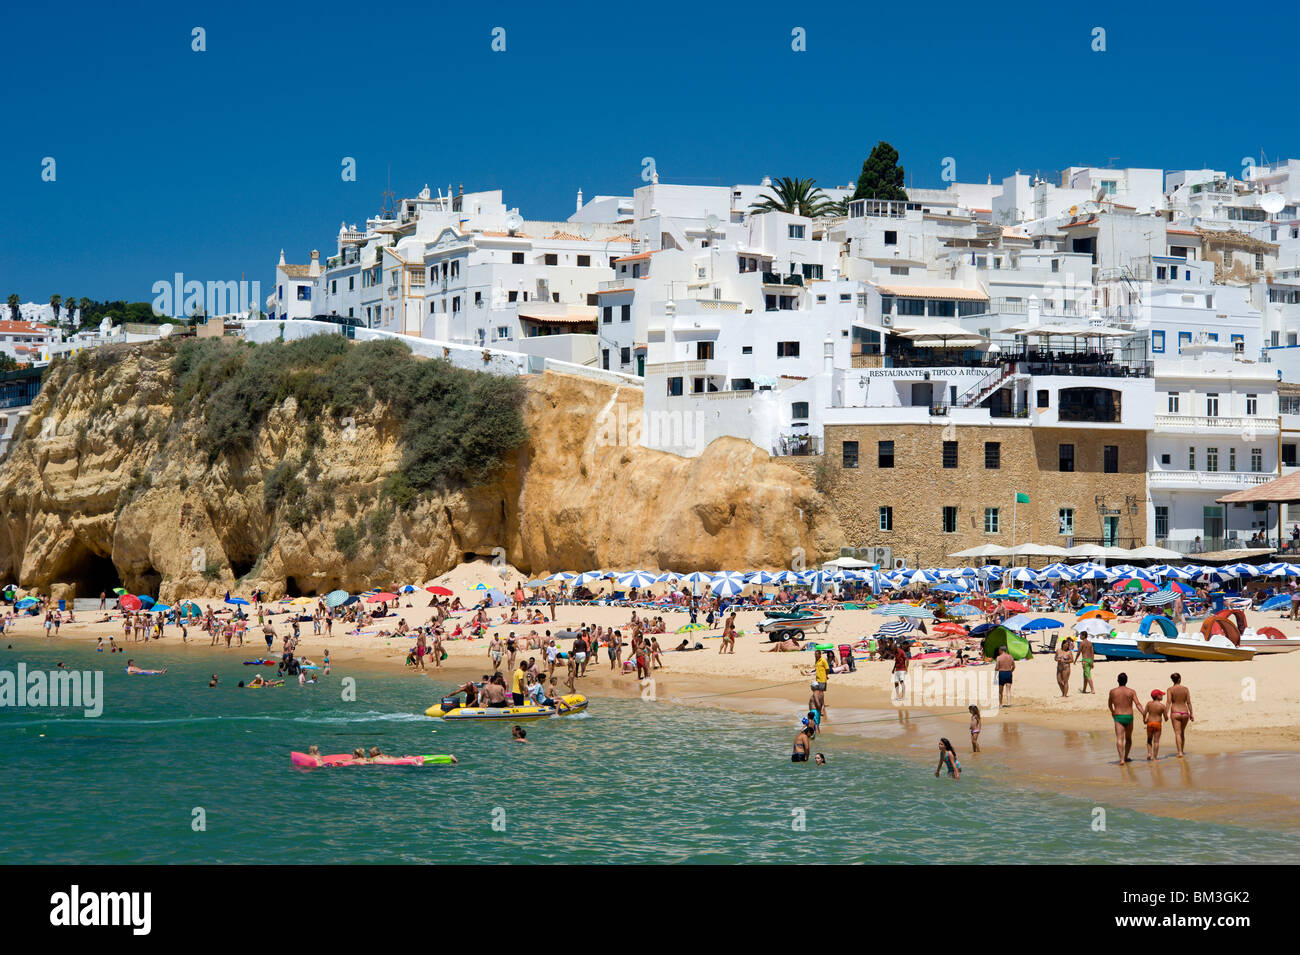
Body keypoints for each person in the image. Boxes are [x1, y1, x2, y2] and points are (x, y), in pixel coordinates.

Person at [1107, 671, 1144, 765]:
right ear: (1126, 681)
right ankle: (1126, 756)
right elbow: (1138, 704)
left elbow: (1110, 704)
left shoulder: (1113, 691)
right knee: (1128, 738)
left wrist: (1112, 712)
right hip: (1129, 716)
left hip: (1118, 716)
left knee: (1119, 738)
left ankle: (1121, 760)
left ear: (1117, 680)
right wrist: (1144, 713)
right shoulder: (1131, 691)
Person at [1166, 672, 1194, 758]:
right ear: (1179, 679)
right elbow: (1188, 702)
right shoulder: (1185, 689)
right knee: (1182, 732)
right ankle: (1182, 750)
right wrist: (1191, 713)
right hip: (1185, 712)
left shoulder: (1170, 689)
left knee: (1177, 733)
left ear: (1172, 680)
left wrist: (1165, 713)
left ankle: (1180, 752)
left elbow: (1168, 702)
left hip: (1175, 712)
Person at [1145, 689, 1167, 761]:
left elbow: (1144, 713)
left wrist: (1144, 720)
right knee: (1156, 741)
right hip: (1157, 724)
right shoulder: (1162, 706)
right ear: (1158, 696)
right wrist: (1166, 718)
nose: (1162, 696)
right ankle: (1154, 758)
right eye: (1161, 695)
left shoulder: (1149, 704)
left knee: (1149, 740)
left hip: (1150, 723)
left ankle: (1149, 753)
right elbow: (1166, 718)